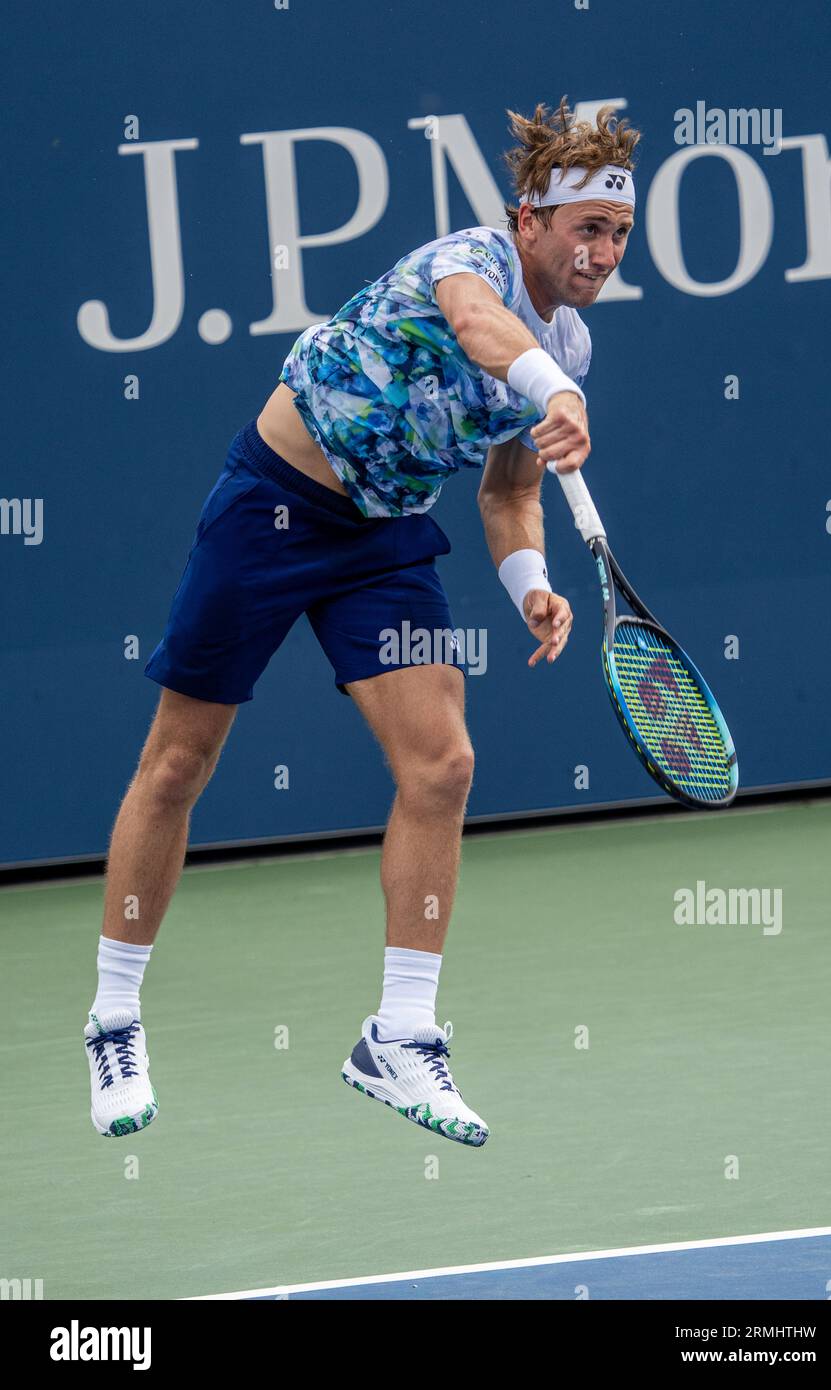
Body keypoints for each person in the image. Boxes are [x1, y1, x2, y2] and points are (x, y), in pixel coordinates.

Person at [84, 98, 639, 1147]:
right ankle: (113, 1014)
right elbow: (481, 329)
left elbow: (508, 490)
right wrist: (552, 384)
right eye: (585, 228)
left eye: (616, 233)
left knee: (442, 767)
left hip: (381, 540)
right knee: (176, 765)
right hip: (271, 506)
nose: (601, 250)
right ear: (528, 222)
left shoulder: (569, 343)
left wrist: (528, 582)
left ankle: (400, 1035)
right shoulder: (465, 261)